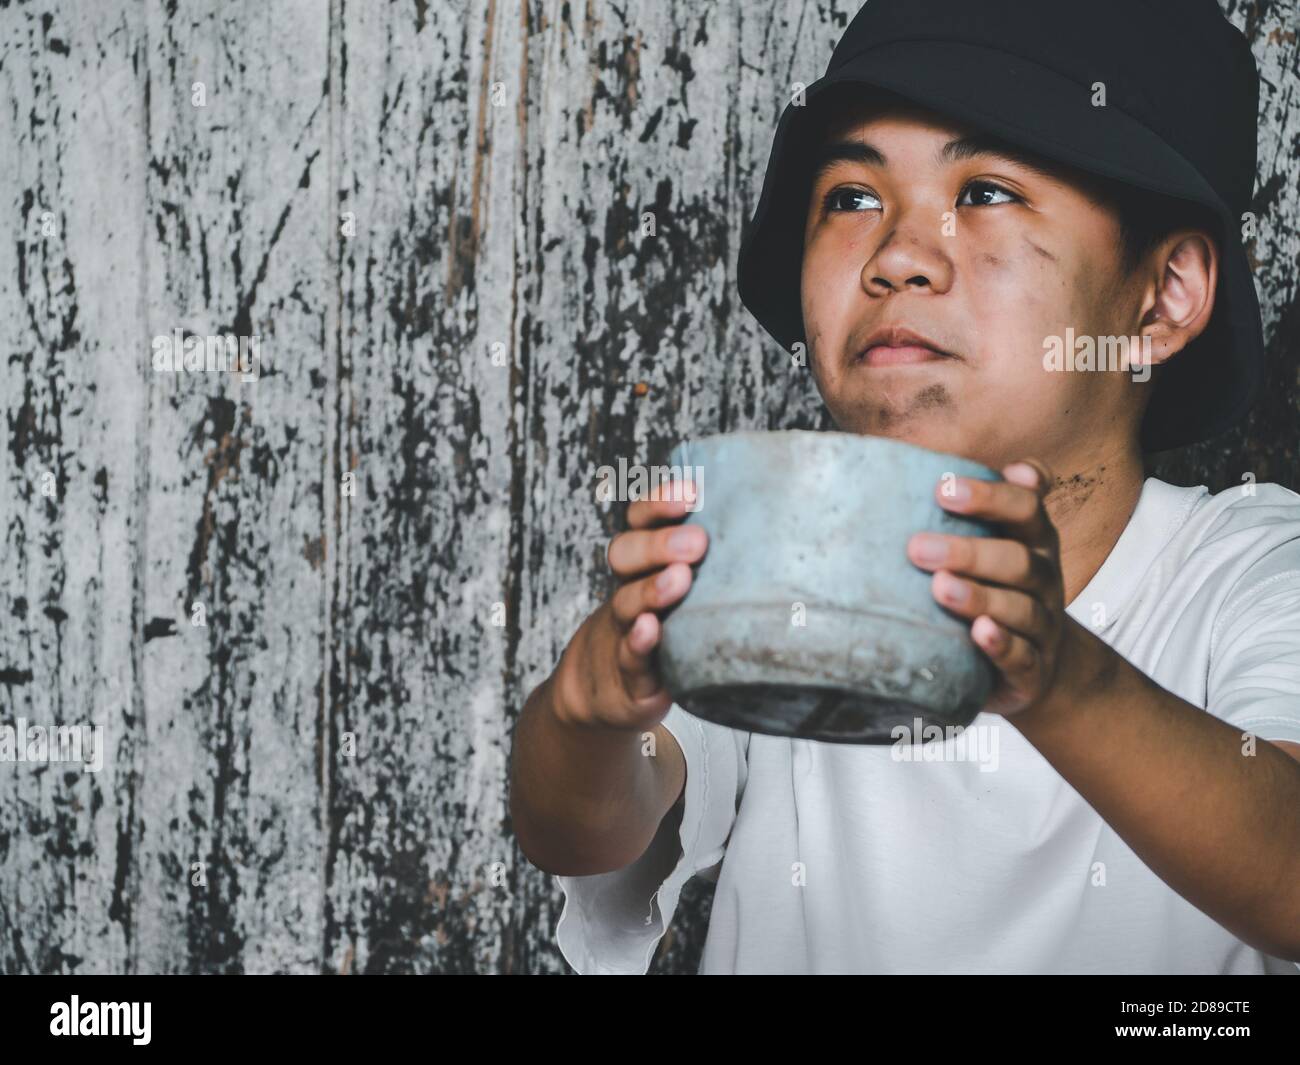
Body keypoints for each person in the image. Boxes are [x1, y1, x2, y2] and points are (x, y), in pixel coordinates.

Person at [508, 0, 1300, 973]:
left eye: (989, 191)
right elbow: (596, 832)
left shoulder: (1245, 571)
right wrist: (585, 719)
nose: (896, 257)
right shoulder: (779, 553)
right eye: (849, 196)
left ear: (1164, 293)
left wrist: (1051, 671)